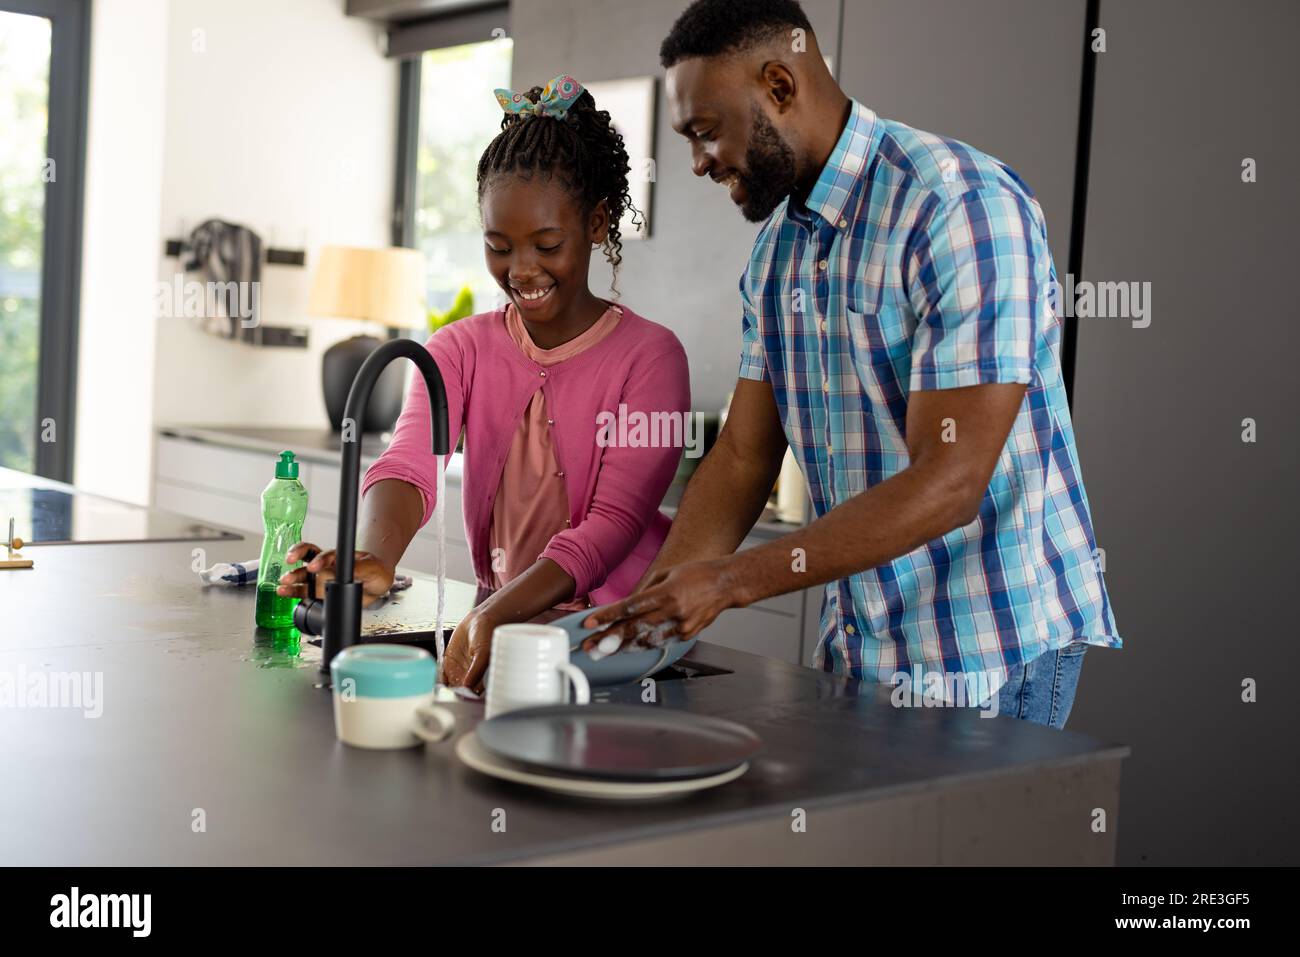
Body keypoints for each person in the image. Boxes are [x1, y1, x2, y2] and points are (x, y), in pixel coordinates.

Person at [583, 0, 1120, 728]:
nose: (699, 163)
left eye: (706, 133)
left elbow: (953, 476)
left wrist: (730, 582)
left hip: (988, 650)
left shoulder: (957, 204)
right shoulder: (776, 257)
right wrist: (640, 619)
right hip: (865, 645)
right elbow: (743, 457)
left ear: (779, 85)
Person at [280, 75, 690, 693]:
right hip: (501, 632)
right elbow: (408, 463)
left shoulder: (650, 358)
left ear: (599, 223)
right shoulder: (458, 348)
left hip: (618, 644)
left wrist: (497, 612)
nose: (521, 270)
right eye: (498, 247)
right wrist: (378, 557)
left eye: (546, 245)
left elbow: (611, 526)